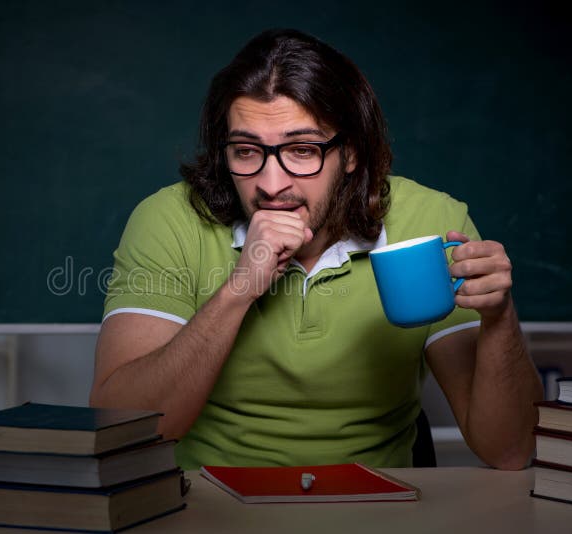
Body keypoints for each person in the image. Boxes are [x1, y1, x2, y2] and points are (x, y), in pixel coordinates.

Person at [89, 28, 542, 470]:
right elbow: (124, 429)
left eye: (302, 150)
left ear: (351, 153)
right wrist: (240, 289)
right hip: (214, 503)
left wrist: (499, 318)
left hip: (382, 507)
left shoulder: (430, 222)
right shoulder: (169, 220)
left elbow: (508, 452)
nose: (271, 185)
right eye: (246, 151)